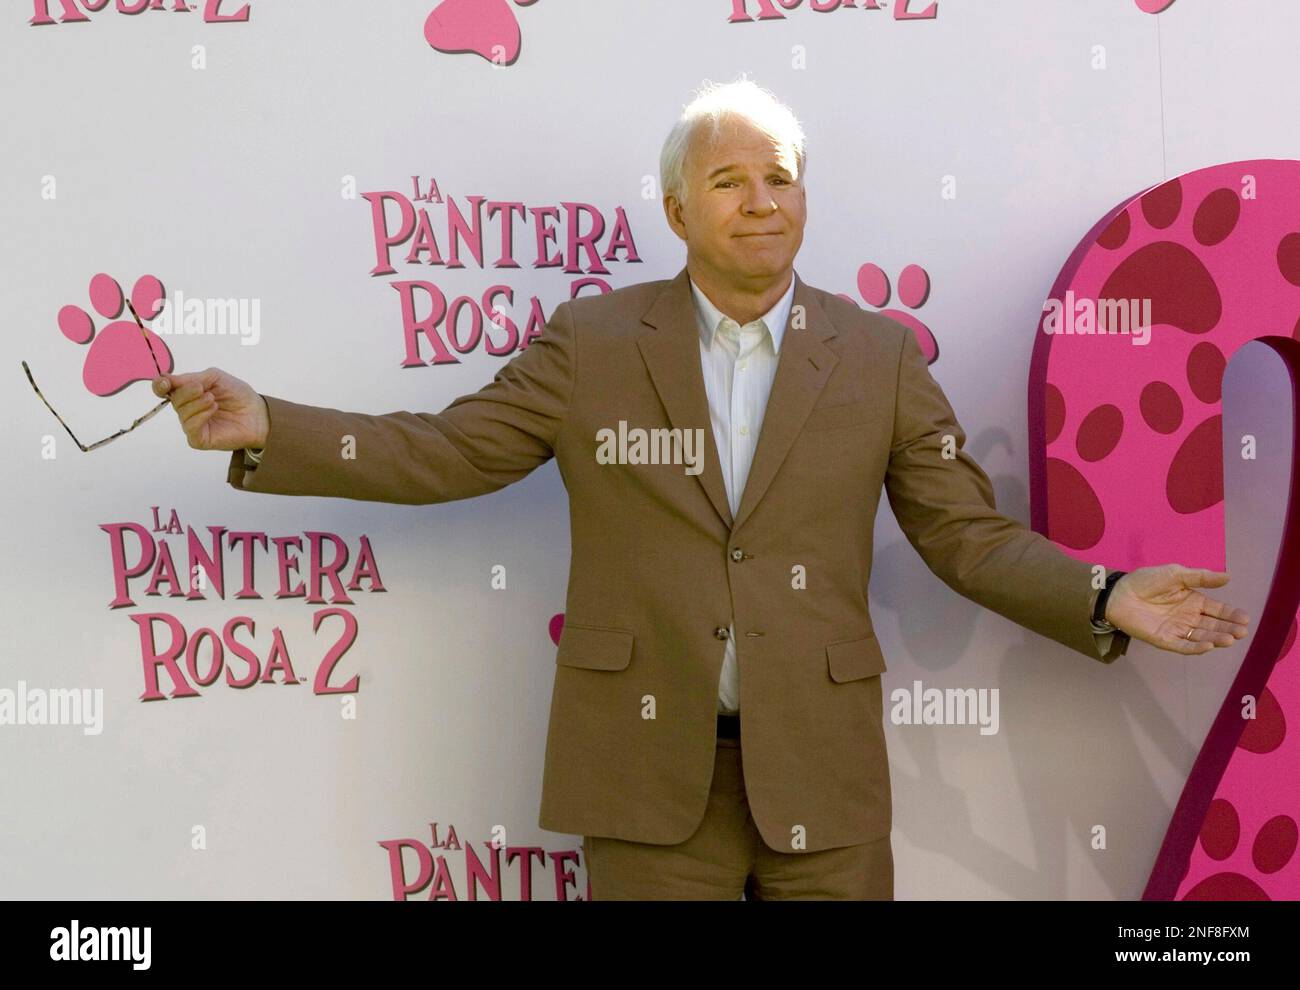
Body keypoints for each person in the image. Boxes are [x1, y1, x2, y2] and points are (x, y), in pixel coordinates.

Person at [153, 78, 1251, 900]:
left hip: (822, 777)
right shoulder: (590, 341)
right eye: (728, 181)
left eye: (780, 178)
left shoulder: (878, 356)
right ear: (678, 213)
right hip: (644, 778)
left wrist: (1103, 593)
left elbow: (960, 533)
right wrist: (274, 428)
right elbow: (451, 449)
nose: (761, 201)